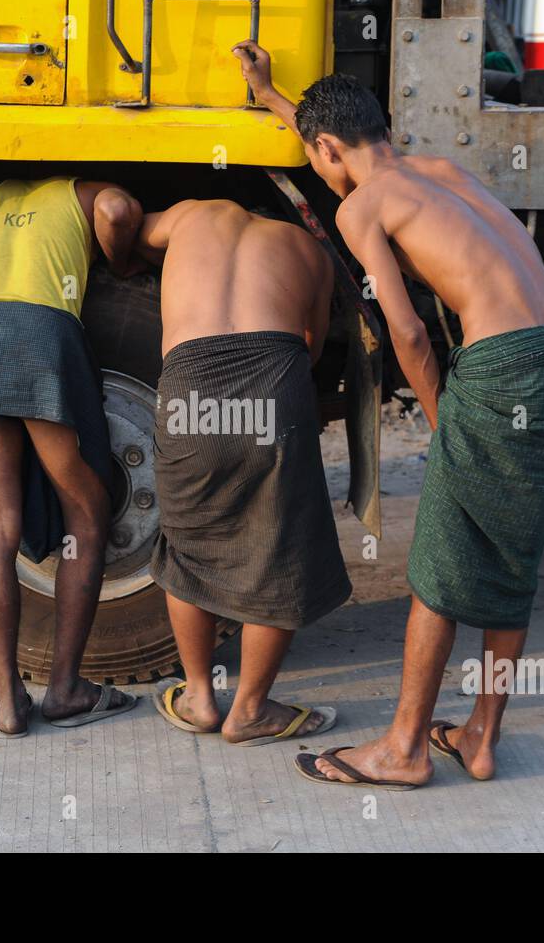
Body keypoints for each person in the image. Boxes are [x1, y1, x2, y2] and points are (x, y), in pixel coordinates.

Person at [233, 42, 544, 788]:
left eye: (315, 151)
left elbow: (403, 331)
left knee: (437, 561)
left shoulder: (359, 206)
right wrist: (275, 98)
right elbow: (334, 139)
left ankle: (402, 748)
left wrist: (441, 419)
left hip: (504, 373)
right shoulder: (437, 172)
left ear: (326, 149)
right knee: (510, 553)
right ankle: (479, 736)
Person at [0, 176, 143, 738]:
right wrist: (118, 262)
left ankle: (8, 701)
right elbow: (117, 209)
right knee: (86, 517)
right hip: (42, 335)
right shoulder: (85, 191)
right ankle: (65, 688)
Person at [137, 199, 351, 745]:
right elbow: (314, 343)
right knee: (278, 547)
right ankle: (251, 709)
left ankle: (199, 697)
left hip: (190, 384)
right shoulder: (312, 250)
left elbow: (119, 221)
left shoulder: (187, 215)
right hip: (270, 385)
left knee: (188, 540)